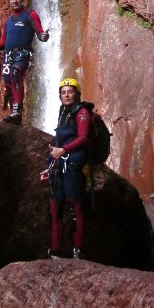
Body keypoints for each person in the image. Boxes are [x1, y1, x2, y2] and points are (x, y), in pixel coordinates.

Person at [0, 0, 49, 122]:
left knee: (15, 73)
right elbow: (3, 43)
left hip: (22, 54)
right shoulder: (7, 21)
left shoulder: (30, 15)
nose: (15, 1)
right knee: (7, 81)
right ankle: (14, 114)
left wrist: (43, 36)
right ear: (9, 1)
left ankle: (18, 110)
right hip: (8, 55)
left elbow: (40, 32)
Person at [46, 77, 90, 260]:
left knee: (74, 207)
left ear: (77, 94)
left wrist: (64, 150)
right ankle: (55, 250)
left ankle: (78, 250)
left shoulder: (82, 112)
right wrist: (49, 166)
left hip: (74, 163)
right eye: (63, 92)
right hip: (60, 164)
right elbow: (56, 143)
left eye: (70, 92)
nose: (66, 95)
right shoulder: (62, 112)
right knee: (55, 208)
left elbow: (83, 138)